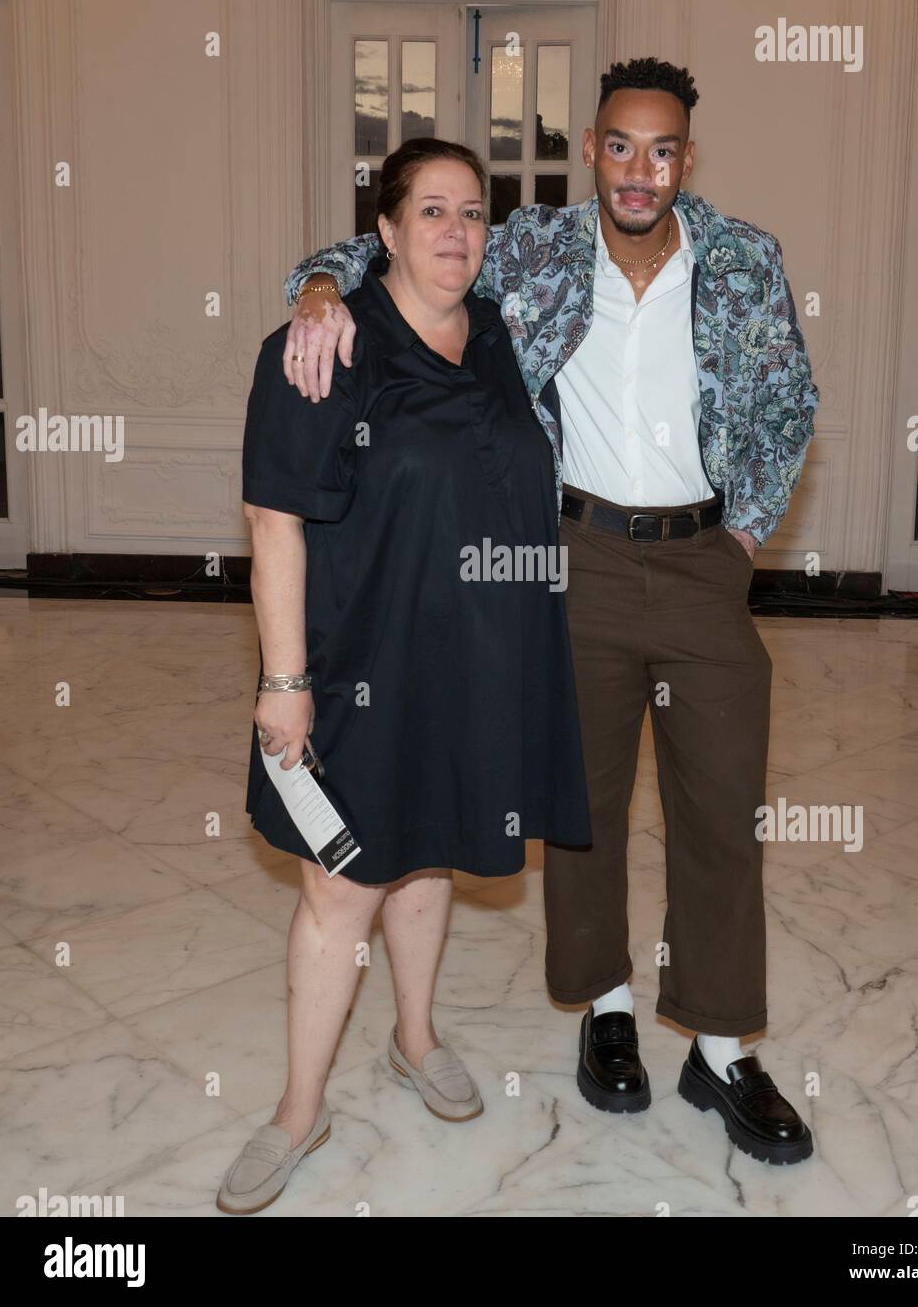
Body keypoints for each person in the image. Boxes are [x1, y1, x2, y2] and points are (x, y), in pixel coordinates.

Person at [280, 58, 820, 1165]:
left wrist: (746, 534)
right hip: (570, 552)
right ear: (589, 148)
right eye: (618, 145)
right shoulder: (531, 246)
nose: (638, 169)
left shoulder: (742, 260)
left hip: (699, 553)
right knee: (578, 801)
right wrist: (318, 292)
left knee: (719, 806)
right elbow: (385, 245)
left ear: (686, 156)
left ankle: (720, 1045)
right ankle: (605, 1006)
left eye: (660, 148)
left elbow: (787, 400)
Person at [219, 138, 592, 1214]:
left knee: (429, 854)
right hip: (354, 661)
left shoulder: (496, 335)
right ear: (379, 230)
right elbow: (271, 517)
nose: (453, 233)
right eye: (428, 212)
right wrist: (285, 681)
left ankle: (414, 1037)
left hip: (471, 659)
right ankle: (298, 1109)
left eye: (470, 213)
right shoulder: (322, 343)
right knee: (341, 886)